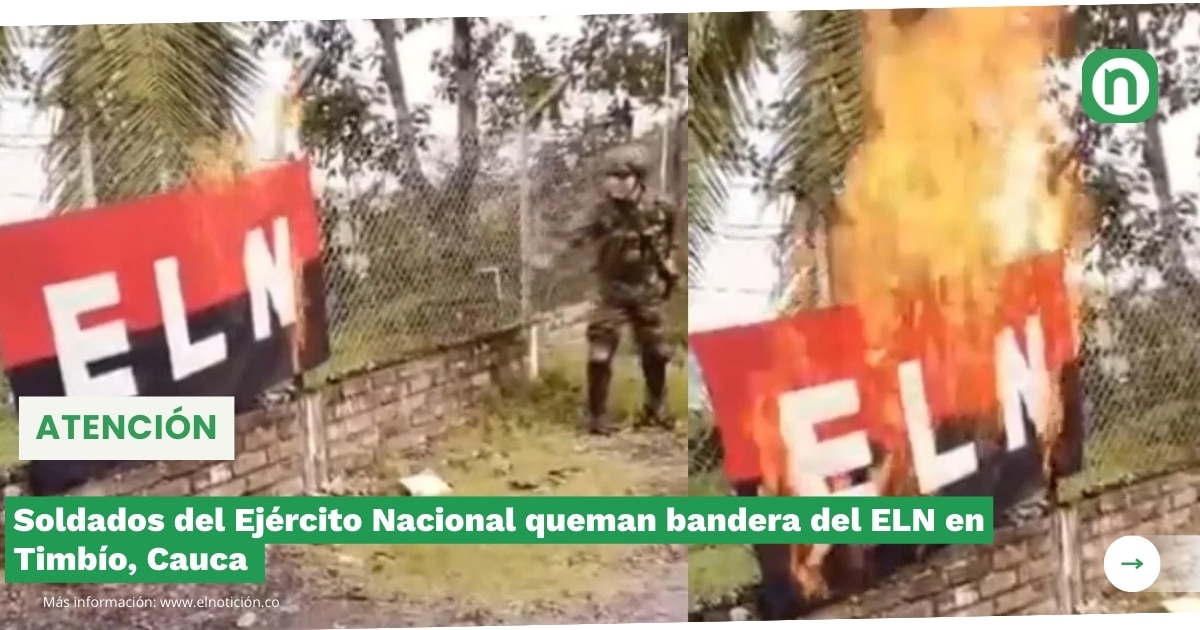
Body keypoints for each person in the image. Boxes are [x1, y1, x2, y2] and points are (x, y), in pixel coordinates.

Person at [572, 144, 679, 435]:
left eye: (622, 176)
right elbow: (572, 238)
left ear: (638, 178)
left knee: (656, 352)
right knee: (600, 354)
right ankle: (596, 416)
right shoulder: (599, 211)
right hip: (612, 291)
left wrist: (668, 266)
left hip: (646, 289)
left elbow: (670, 239)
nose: (615, 183)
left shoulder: (661, 207)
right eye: (611, 176)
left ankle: (656, 407)